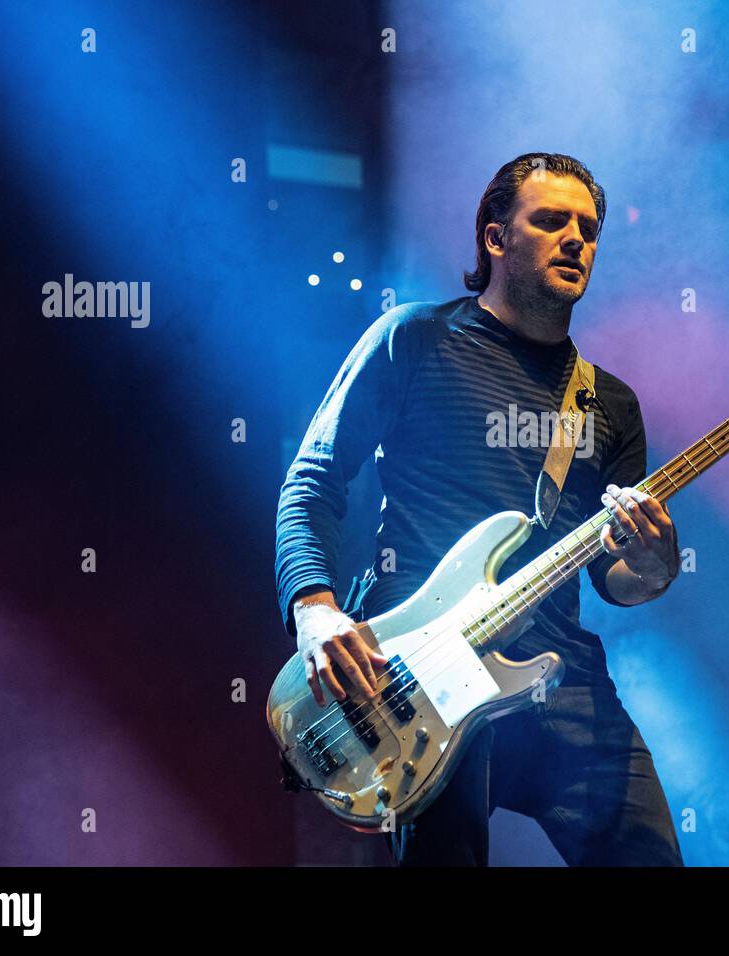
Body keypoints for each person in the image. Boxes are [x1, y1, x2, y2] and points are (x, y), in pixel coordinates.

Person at [275, 152, 684, 866]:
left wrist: (653, 564)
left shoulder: (610, 404)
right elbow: (312, 483)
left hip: (562, 682)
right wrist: (315, 613)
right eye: (551, 221)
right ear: (496, 239)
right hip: (417, 672)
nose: (576, 240)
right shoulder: (415, 340)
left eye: (588, 228)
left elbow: (616, 581)